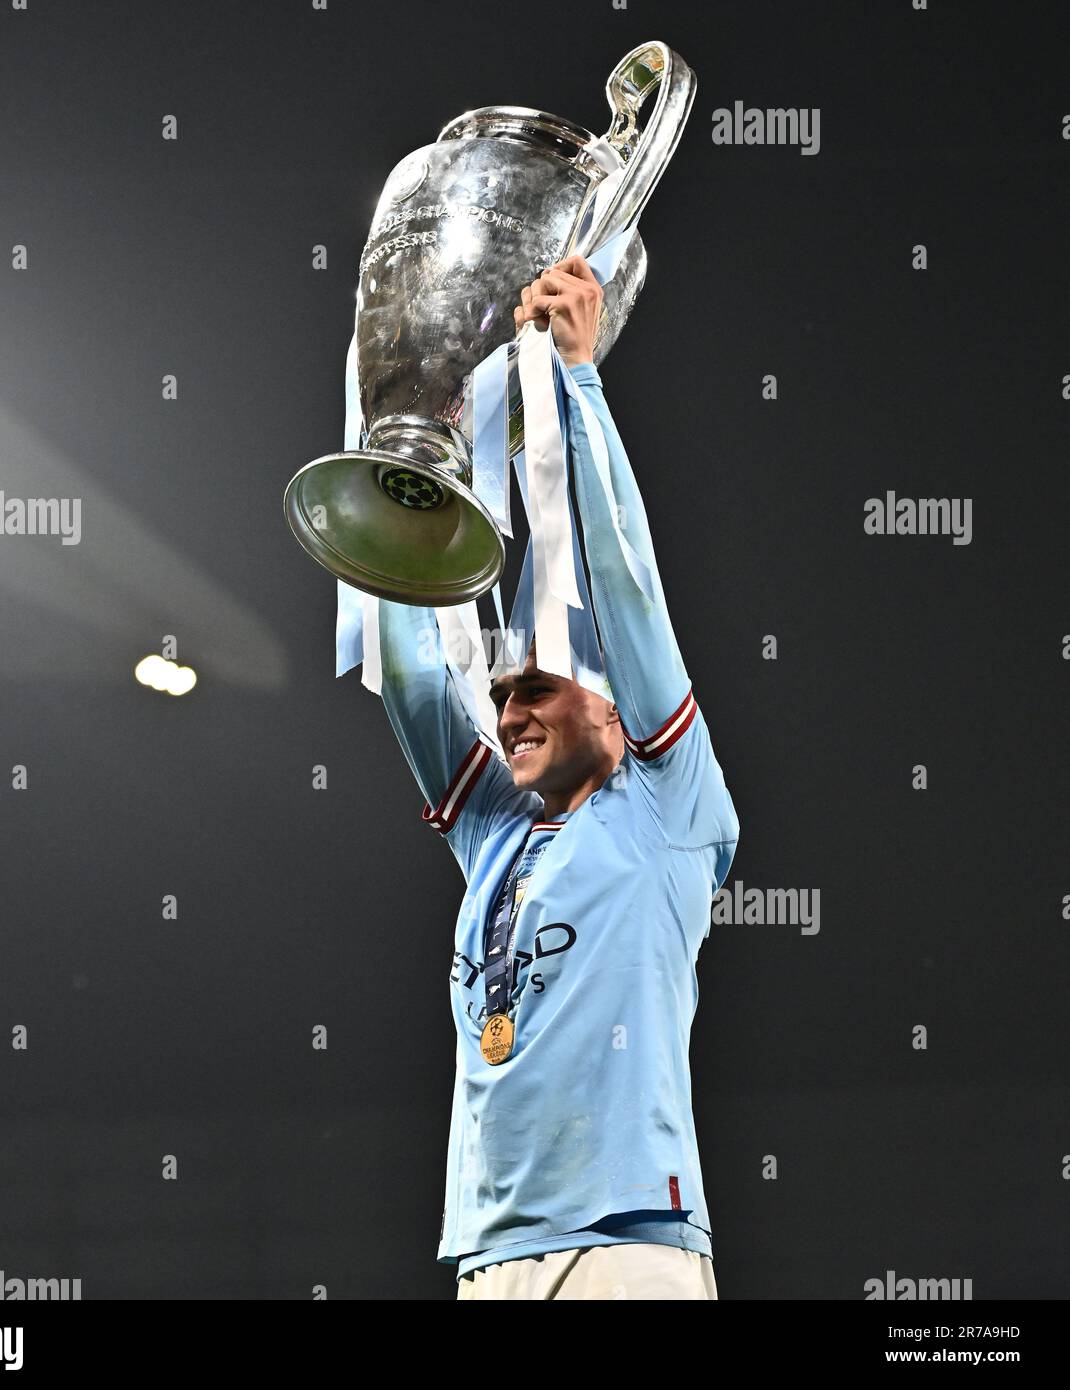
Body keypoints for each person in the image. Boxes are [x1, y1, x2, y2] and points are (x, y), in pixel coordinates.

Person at [370, 254, 740, 1299]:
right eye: (502, 695)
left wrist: (578, 379)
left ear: (616, 708)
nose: (508, 713)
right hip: (487, 1254)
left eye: (537, 688)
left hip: (626, 1240)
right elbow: (411, 676)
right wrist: (404, 445)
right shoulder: (496, 832)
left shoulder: (669, 806)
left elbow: (626, 586)